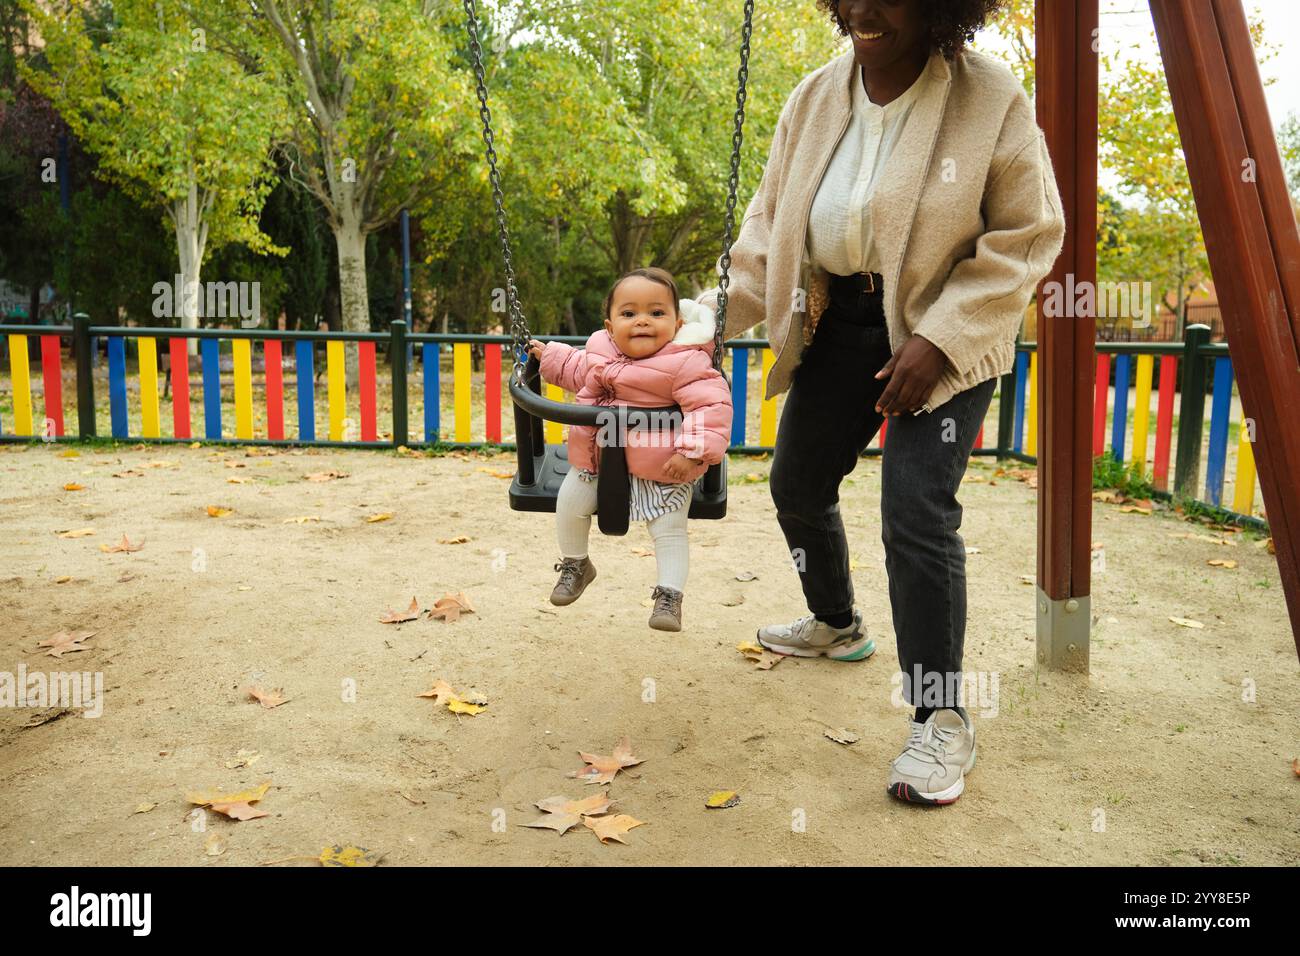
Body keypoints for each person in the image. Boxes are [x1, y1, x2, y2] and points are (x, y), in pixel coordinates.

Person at [694, 0, 1066, 804]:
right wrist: (698, 324)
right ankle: (837, 623)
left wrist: (941, 338)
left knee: (915, 512)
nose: (864, 9)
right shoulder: (816, 97)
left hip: (943, 333)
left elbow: (1027, 235)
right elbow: (769, 234)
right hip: (838, 316)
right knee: (796, 483)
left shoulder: (988, 97)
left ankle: (941, 720)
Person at [529, 267, 732, 632]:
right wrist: (551, 357)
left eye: (656, 313)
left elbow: (710, 406)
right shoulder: (598, 350)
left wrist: (692, 453)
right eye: (629, 313)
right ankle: (576, 564)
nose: (642, 321)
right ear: (610, 328)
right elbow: (577, 369)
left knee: (670, 530)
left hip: (665, 469)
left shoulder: (687, 361)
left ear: (677, 322)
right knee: (569, 504)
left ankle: (669, 596)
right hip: (598, 461)